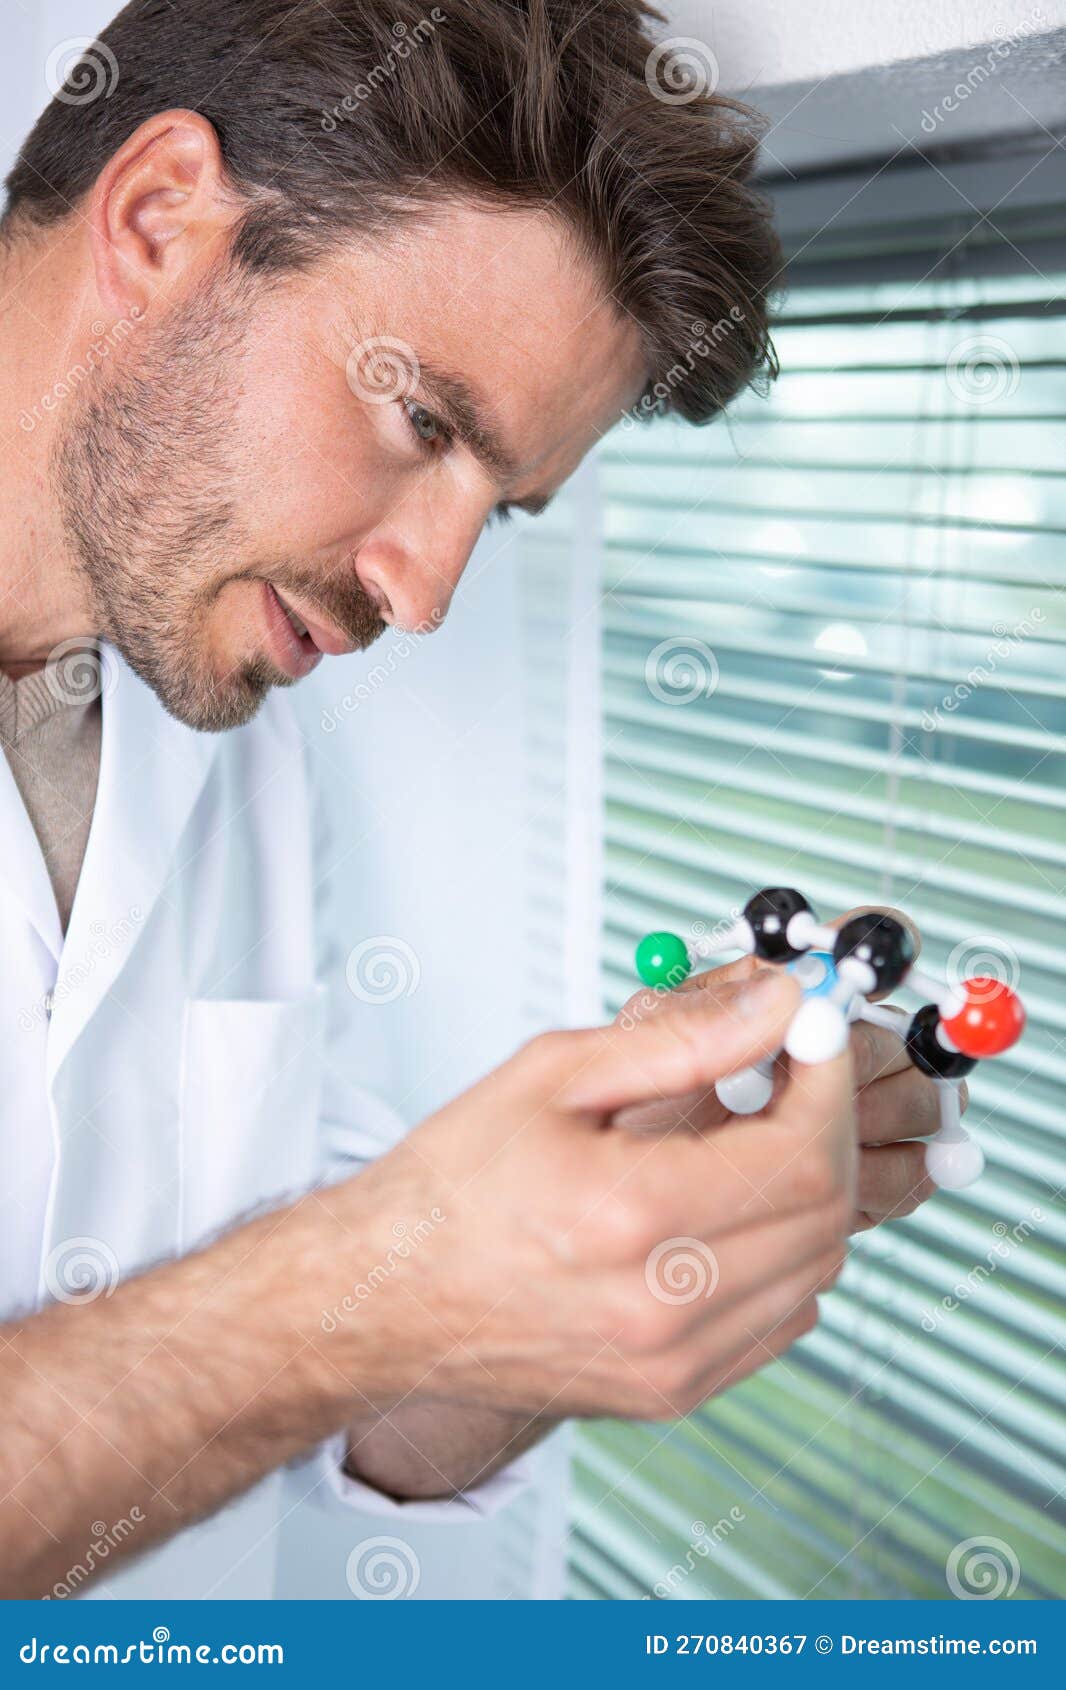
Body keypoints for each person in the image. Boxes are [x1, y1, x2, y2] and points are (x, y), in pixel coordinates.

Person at [0, 0, 946, 1599]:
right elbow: (310, 1320)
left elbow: (330, 1404)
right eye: (422, 421)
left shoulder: (225, 734)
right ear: (162, 217)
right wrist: (365, 1290)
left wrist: (579, 1246)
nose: (421, 594)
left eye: (493, 512)